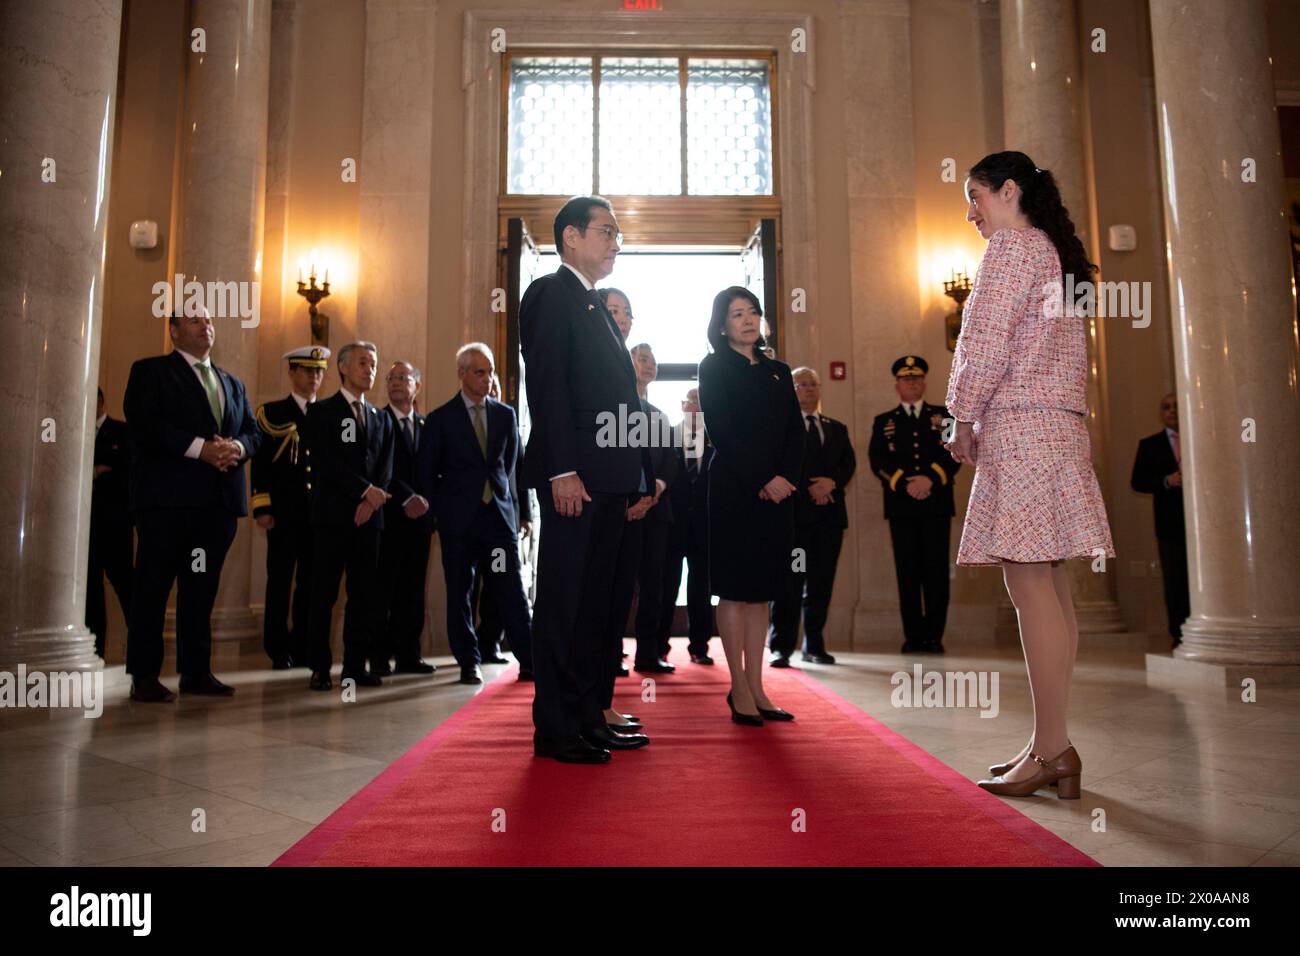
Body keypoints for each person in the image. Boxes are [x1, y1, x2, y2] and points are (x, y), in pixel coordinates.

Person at [944, 150, 1114, 798]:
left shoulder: (1013, 248)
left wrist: (959, 416)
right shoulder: (1055, 253)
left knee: (1029, 588)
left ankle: (1051, 750)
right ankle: (1050, 742)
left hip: (1023, 432)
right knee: (1050, 588)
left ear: (1008, 190)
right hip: (1060, 427)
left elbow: (982, 341)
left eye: (976, 197)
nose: (971, 213)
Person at [520, 195, 648, 763]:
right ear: (571, 237)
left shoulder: (594, 305)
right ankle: (555, 727)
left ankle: (586, 712)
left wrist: (635, 475)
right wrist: (562, 469)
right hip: (576, 478)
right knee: (565, 602)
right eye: (607, 231)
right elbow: (548, 388)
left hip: (609, 479)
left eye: (618, 233)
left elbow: (616, 400)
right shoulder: (552, 294)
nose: (615, 242)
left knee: (596, 604)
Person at [122, 308, 262, 701]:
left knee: (201, 588)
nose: (206, 327)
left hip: (215, 508)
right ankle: (144, 674)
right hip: (167, 504)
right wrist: (200, 449)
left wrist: (236, 447)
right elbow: (146, 425)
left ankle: (195, 671)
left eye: (210, 321)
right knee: (153, 587)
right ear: (173, 331)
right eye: (196, 321)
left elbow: (253, 431)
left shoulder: (231, 382)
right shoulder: (150, 372)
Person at [697, 286, 803, 725]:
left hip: (777, 495)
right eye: (737, 313)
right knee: (735, 590)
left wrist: (785, 479)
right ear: (722, 324)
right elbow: (721, 430)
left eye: (753, 312)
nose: (747, 320)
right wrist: (762, 478)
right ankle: (737, 686)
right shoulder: (713, 366)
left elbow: (795, 431)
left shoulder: (778, 370)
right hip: (733, 490)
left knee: (761, 593)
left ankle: (758, 686)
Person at [418, 343, 534, 686]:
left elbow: (513, 470)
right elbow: (427, 474)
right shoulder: (440, 419)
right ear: (462, 374)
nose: (488, 379)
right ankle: (468, 661)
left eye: (491, 372)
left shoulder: (504, 415)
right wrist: (440, 516)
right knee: (460, 592)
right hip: (459, 524)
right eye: (480, 372)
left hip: (498, 521)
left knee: (510, 588)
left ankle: (529, 660)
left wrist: (521, 513)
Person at [302, 342, 394, 691]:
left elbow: (386, 466)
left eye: (373, 364)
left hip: (369, 520)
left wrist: (372, 500)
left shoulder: (380, 417)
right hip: (332, 517)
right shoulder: (322, 411)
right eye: (362, 363)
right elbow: (326, 462)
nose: (369, 369)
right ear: (342, 367)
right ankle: (320, 667)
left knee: (363, 595)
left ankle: (355, 667)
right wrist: (362, 491)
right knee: (323, 594)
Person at [867, 355, 960, 654]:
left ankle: (934, 636)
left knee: (935, 572)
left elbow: (953, 454)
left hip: (936, 505)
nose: (912, 384)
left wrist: (930, 479)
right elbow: (877, 460)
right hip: (902, 507)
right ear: (897, 385)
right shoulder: (885, 422)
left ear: (924, 382)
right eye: (907, 379)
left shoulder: (944, 416)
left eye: (917, 379)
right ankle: (913, 636)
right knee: (907, 572)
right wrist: (905, 482)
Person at [769, 367, 856, 666]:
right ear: (792, 389)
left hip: (829, 522)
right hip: (796, 521)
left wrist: (831, 483)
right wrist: (811, 488)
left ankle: (814, 643)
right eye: (802, 384)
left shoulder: (836, 428)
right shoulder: (782, 428)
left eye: (813, 384)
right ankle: (781, 645)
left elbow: (848, 464)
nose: (808, 389)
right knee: (792, 582)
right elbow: (782, 465)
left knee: (821, 583)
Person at [251, 345, 328, 670]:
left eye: (319, 371)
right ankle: (278, 648)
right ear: (292, 373)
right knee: (280, 581)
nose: (314, 377)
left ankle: (304, 645)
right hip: (283, 514)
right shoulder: (272, 413)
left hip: (318, 515)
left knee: (311, 584)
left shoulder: (327, 413)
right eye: (308, 370)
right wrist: (262, 506)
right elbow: (261, 465)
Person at [372, 360, 436, 676]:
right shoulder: (377, 420)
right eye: (391, 378)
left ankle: (409, 654)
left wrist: (425, 502)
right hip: (388, 518)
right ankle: (380, 655)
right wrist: (406, 497)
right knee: (384, 588)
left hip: (421, 522)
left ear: (417, 386)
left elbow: (435, 471)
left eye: (403, 377)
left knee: (413, 590)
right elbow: (379, 469)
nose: (397, 382)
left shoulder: (427, 426)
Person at [472, 372, 532, 668]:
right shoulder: (463, 421)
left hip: (501, 521)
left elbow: (519, 474)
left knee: (501, 587)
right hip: (469, 524)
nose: (489, 387)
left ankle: (492, 642)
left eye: (494, 384)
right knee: (469, 588)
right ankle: (471, 651)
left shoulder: (507, 421)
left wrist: (525, 515)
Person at [628, 343, 678, 674]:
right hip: (623, 511)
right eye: (642, 359)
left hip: (656, 511)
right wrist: (632, 500)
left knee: (653, 586)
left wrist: (656, 490)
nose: (649, 365)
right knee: (615, 586)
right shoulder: (612, 410)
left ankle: (649, 653)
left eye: (652, 360)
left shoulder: (660, 416)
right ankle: (608, 653)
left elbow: (671, 462)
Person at [656, 387, 715, 665]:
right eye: (688, 401)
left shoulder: (717, 439)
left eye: (699, 402)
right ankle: (658, 646)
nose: (692, 406)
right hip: (670, 523)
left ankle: (699, 646)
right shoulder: (667, 435)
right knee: (666, 584)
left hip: (705, 525)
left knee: (701, 586)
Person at [1131, 392, 1188, 647]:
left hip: (1208, 526)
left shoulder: (1202, 438)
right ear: (1161, 413)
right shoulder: (1150, 445)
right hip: (1170, 525)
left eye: (1176, 406)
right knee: (1175, 580)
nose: (1172, 411)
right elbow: (1138, 482)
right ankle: (1178, 634)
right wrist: (1167, 481)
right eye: (1166, 407)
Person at [87, 387, 133, 659]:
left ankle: (140, 649)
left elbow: (124, 473)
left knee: (127, 587)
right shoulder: (73, 432)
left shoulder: (123, 432)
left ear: (101, 400)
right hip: (88, 528)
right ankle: (95, 653)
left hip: (116, 524)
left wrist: (101, 470)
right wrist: (95, 471)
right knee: (92, 593)